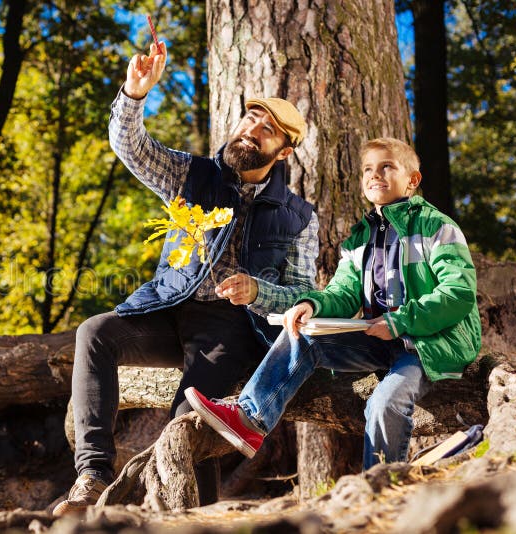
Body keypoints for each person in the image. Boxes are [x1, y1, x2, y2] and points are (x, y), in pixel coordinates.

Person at [52, 42, 320, 515]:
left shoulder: (299, 216)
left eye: (267, 130)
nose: (252, 130)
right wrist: (134, 94)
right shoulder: (192, 174)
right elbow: (130, 147)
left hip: (230, 329)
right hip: (166, 306)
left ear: (283, 151)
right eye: (250, 119)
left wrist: (258, 291)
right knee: (94, 332)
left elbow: (302, 294)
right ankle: (92, 477)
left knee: (188, 418)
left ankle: (197, 518)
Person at [185, 137, 481, 468]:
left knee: (385, 403)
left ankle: (383, 484)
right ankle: (249, 419)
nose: (375, 175)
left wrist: (401, 322)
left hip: (429, 342)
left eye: (387, 167)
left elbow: (458, 293)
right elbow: (342, 293)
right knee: (303, 332)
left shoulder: (435, 227)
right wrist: (312, 306)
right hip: (379, 337)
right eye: (368, 169)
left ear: (412, 180)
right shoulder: (362, 237)